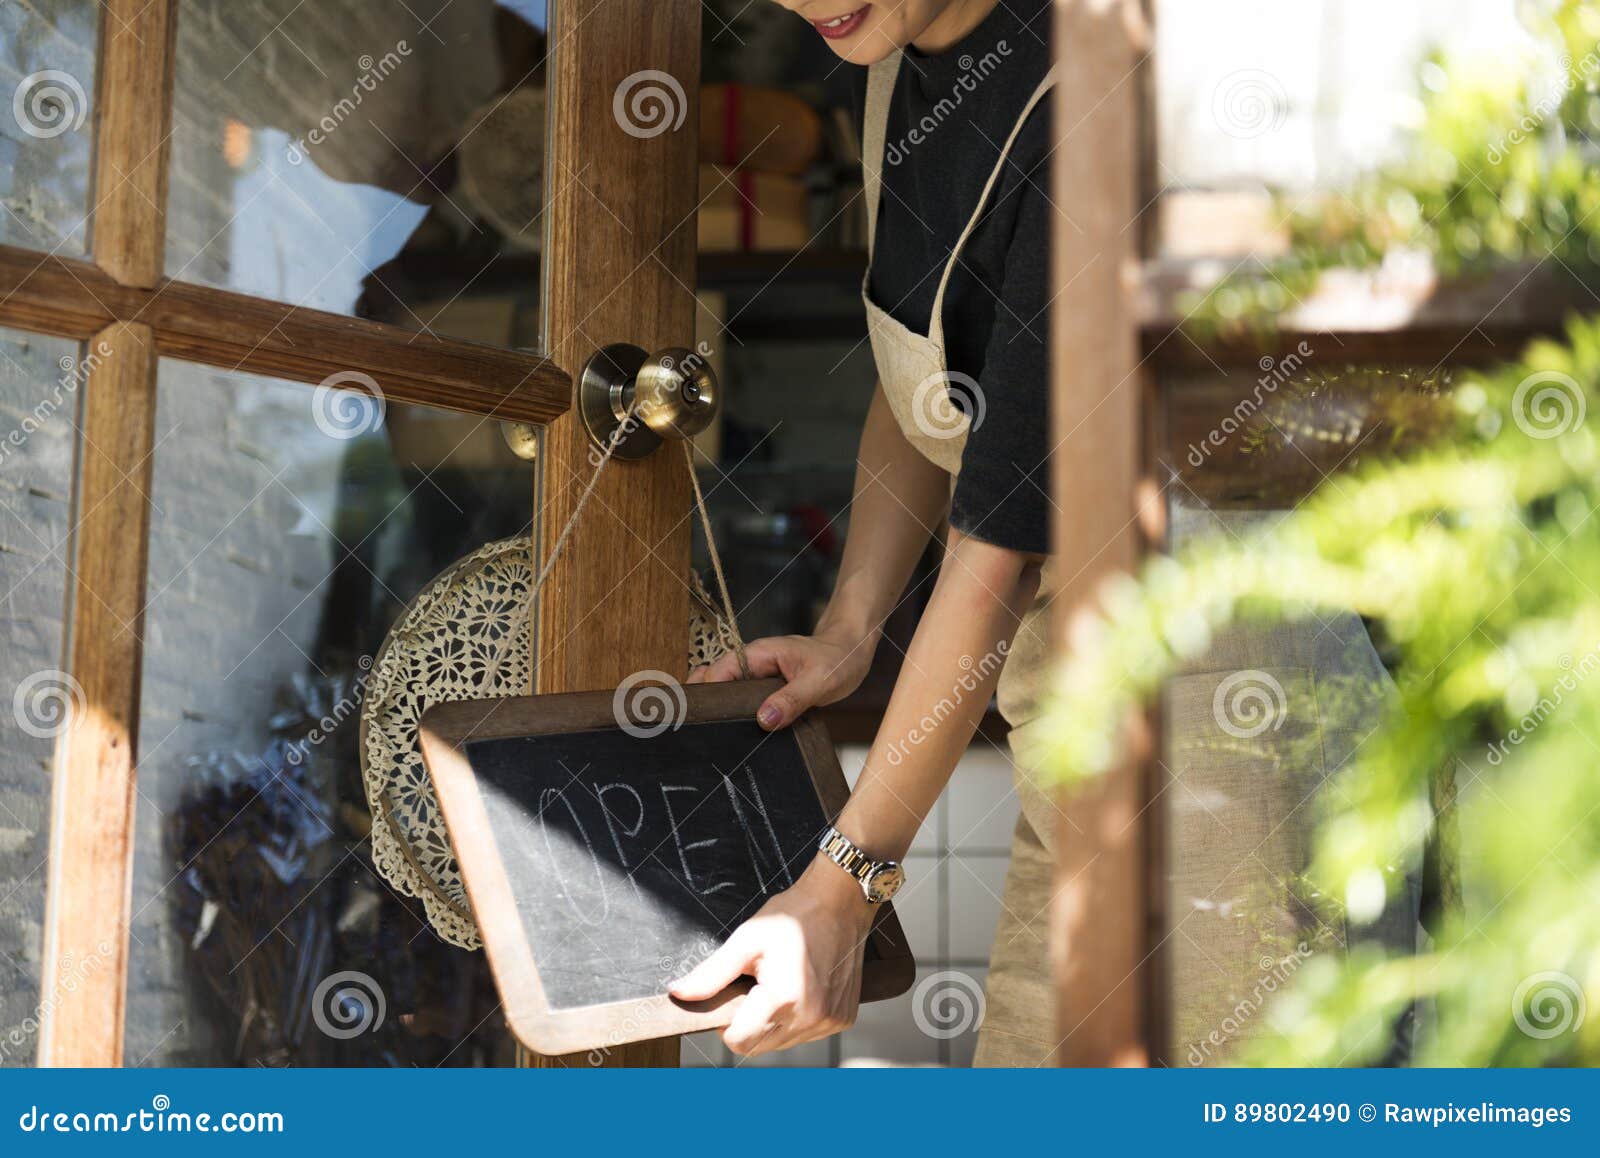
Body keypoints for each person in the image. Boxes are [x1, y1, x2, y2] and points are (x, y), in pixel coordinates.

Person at [673, 0, 1059, 1066]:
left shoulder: (1081, 109)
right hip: (1075, 747)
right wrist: (851, 630)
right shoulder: (895, 58)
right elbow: (921, 376)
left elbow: (998, 555)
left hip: (1215, 735)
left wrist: (844, 888)